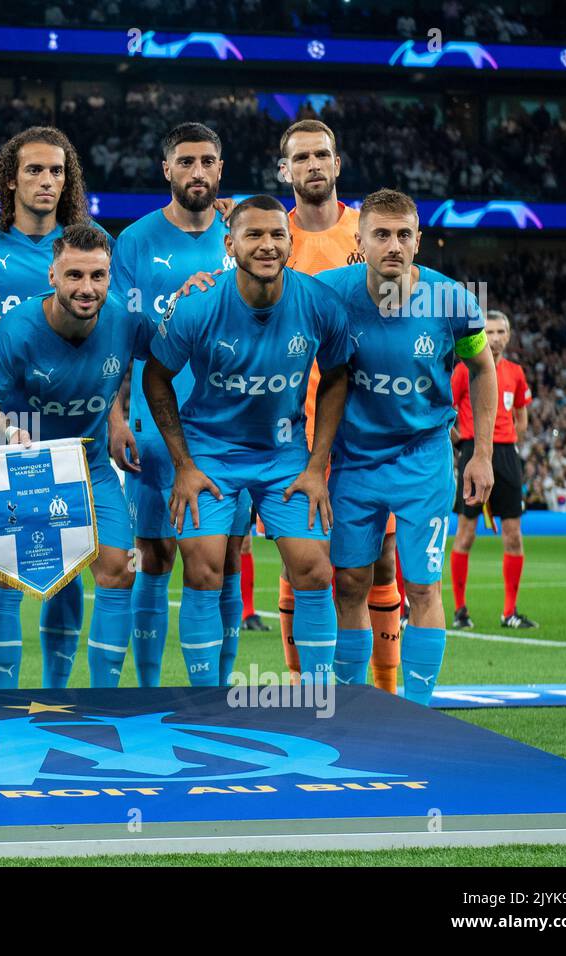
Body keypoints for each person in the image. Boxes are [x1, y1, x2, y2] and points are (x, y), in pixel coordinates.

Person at [144, 195, 354, 685]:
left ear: (290, 241)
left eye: (277, 235)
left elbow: (339, 375)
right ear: (229, 243)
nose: (266, 245)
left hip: (284, 455)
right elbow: (156, 376)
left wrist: (316, 465)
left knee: (315, 571)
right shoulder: (197, 305)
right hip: (210, 451)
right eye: (254, 235)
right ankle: (205, 698)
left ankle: (318, 693)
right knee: (204, 569)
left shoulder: (319, 302)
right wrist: (183, 464)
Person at [0, 126, 112, 688]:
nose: (47, 181)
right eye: (35, 170)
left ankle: (58, 693)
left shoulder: (80, 244)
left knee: (65, 570)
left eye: (58, 171)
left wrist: (115, 418)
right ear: (9, 177)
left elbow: (113, 335)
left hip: (69, 439)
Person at [317, 189, 496, 704]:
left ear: (418, 241)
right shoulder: (329, 293)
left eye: (403, 235)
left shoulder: (453, 301)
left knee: (421, 588)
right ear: (360, 241)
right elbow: (263, 294)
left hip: (423, 459)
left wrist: (481, 453)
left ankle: (416, 712)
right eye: (381, 234)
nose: (393, 245)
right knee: (349, 584)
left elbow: (482, 368)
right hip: (354, 463)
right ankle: (349, 703)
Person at [0, 224, 155, 687]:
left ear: (110, 276)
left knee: (119, 572)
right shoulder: (16, 330)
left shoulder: (124, 322)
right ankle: (2, 698)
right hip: (24, 464)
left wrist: (116, 419)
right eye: (75, 275)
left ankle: (104, 699)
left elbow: (171, 347)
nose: (87, 288)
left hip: (90, 463)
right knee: (4, 578)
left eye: (98, 276)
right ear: (52, 274)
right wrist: (12, 433)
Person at [106, 122, 250, 687]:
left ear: (221, 169)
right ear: (167, 170)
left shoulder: (241, 236)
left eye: (208, 161)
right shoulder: (136, 242)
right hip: (153, 425)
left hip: (229, 429)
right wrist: (115, 416)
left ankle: (216, 691)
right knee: (155, 556)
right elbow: (113, 335)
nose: (198, 172)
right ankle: (146, 692)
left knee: (227, 558)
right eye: (185, 161)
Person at [449, 310, 537, 629]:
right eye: (489, 331)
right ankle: (461, 612)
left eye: (501, 332)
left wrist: (513, 440)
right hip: (474, 452)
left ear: (509, 336)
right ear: (480, 335)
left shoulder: (516, 372)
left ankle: (509, 612)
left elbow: (523, 415)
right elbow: (447, 409)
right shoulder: (464, 370)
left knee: (513, 535)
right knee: (466, 533)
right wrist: (461, 444)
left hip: (506, 454)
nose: (496, 338)